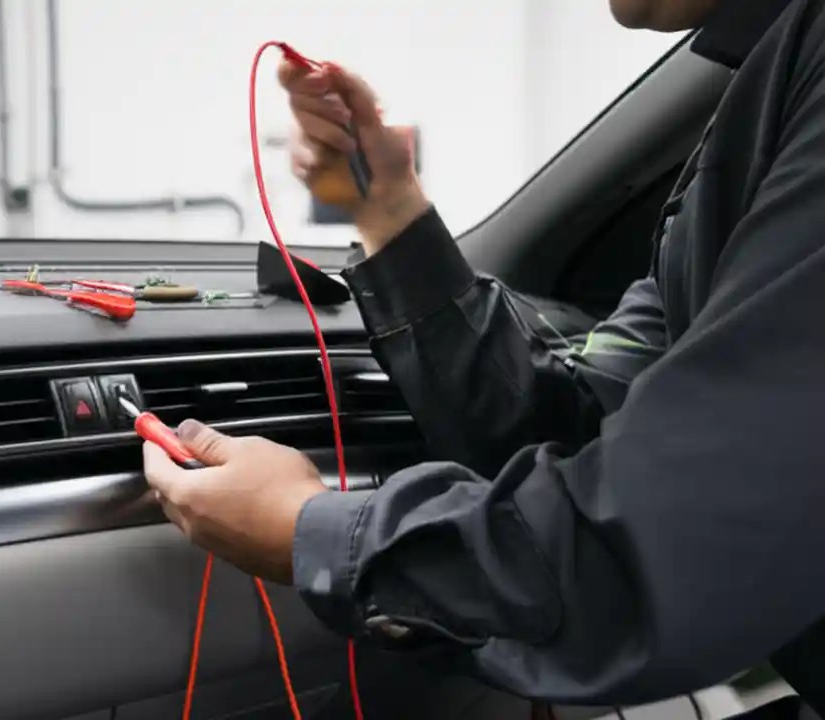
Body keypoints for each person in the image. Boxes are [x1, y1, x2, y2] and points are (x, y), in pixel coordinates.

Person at [142, 0, 825, 715]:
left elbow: (671, 543)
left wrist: (311, 531)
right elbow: (586, 420)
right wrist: (388, 210)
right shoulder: (773, 74)